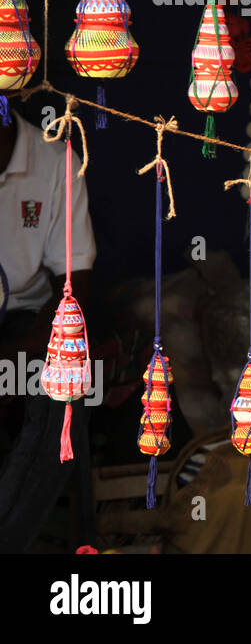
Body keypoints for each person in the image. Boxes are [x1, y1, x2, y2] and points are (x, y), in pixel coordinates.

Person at [0, 104, 97, 552]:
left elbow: (75, 290)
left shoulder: (54, 160)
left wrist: (12, 357)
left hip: (25, 321)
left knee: (61, 392)